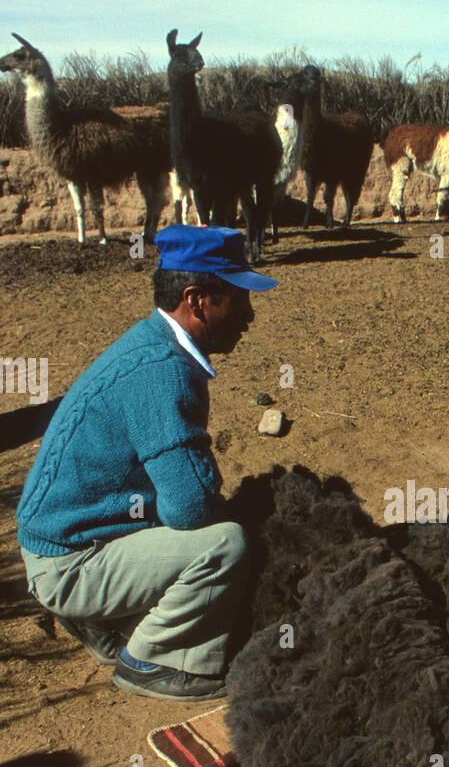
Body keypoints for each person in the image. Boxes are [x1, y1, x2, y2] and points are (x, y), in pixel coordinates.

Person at [17, 225, 278, 701]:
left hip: (63, 541)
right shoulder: (164, 372)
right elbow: (189, 509)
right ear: (197, 300)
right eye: (238, 299)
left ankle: (101, 619)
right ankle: (153, 660)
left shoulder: (153, 343)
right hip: (67, 564)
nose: (249, 315)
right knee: (224, 544)